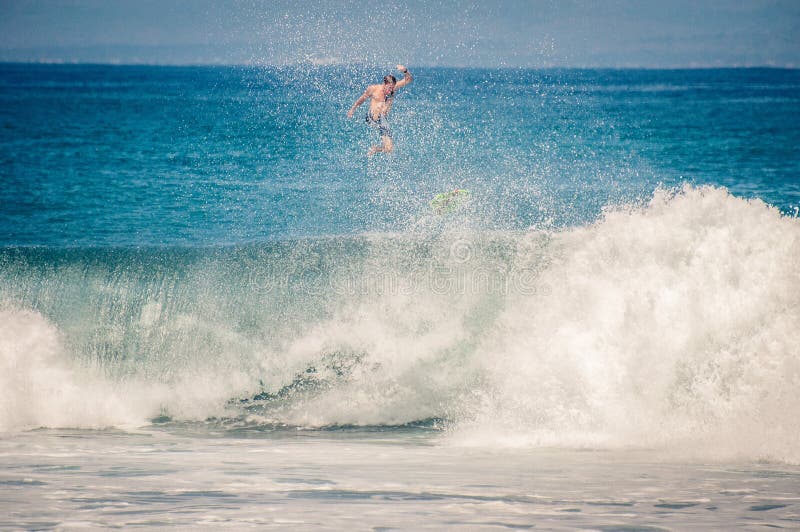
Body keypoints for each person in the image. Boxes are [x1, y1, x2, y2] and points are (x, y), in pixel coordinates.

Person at [347, 65, 413, 156]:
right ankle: (380, 116)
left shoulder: (393, 88)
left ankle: (375, 149)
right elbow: (362, 99)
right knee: (379, 107)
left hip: (382, 121)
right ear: (384, 84)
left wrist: (405, 71)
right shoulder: (373, 89)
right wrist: (352, 109)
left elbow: (409, 80)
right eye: (389, 88)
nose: (390, 90)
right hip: (371, 118)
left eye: (392, 88)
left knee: (389, 148)